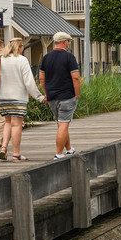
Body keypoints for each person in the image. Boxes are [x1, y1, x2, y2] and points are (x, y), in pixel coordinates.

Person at [0, 37, 45, 162]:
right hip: (18, 98)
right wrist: (40, 97)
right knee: (16, 125)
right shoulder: (22, 60)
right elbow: (29, 81)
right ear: (20, 47)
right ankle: (16, 154)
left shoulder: (0, 59)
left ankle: (3, 147)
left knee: (7, 122)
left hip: (3, 97)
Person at [39, 31, 82, 159]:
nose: (69, 44)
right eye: (68, 41)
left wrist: (46, 93)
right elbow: (75, 78)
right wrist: (77, 94)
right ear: (64, 42)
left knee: (61, 123)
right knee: (63, 124)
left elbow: (41, 78)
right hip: (67, 95)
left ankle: (69, 149)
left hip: (52, 96)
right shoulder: (69, 57)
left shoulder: (46, 57)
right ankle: (58, 153)